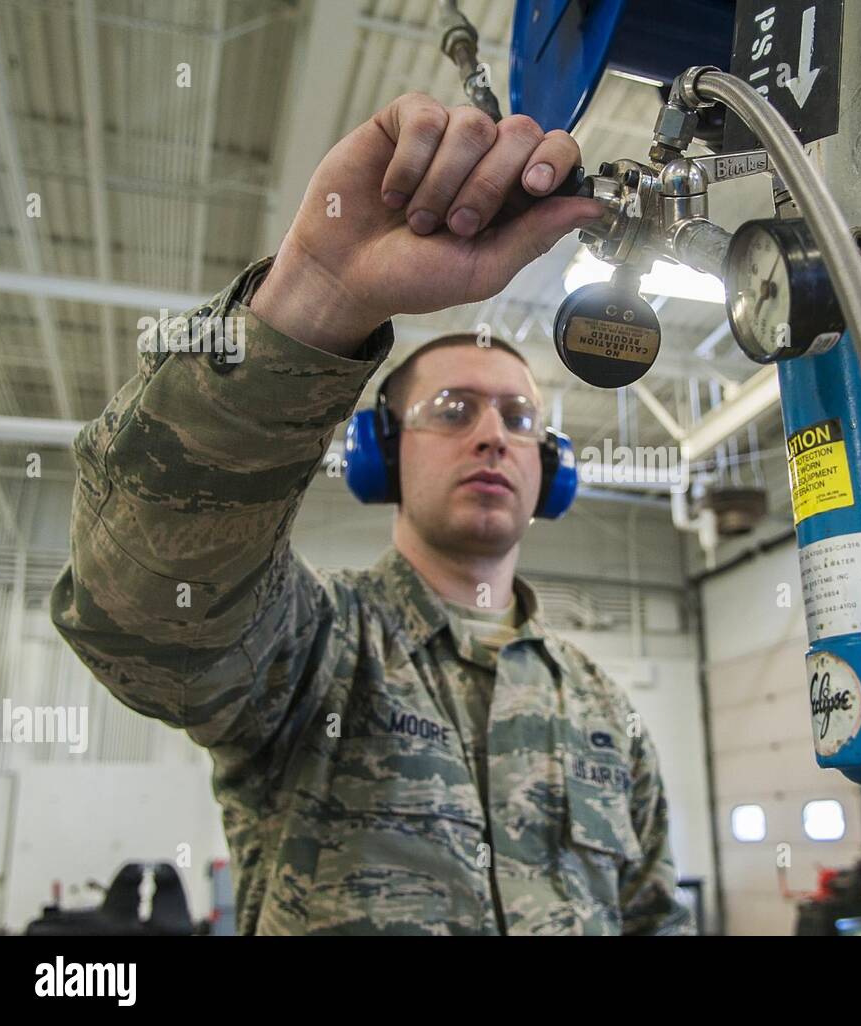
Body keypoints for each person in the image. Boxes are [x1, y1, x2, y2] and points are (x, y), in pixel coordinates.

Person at [50, 91, 695, 936]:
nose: (495, 436)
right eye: (455, 411)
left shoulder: (601, 708)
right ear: (380, 454)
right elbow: (135, 611)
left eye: (521, 419)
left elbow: (654, 918)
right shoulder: (312, 648)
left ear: (553, 468)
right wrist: (319, 292)